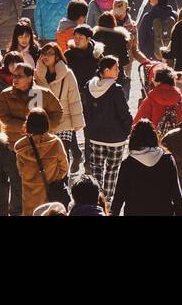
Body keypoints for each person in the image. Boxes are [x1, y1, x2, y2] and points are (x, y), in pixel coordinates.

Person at [81, 55, 133, 200]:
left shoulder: (89, 85)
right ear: (106, 70)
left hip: (96, 136)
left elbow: (86, 111)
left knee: (97, 167)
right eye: (116, 69)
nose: (118, 71)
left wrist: (89, 130)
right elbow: (124, 112)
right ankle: (107, 200)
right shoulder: (115, 89)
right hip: (115, 137)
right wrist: (127, 129)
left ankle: (96, 197)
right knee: (112, 169)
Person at [110, 119, 182, 216]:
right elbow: (177, 194)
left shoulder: (128, 164)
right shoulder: (167, 160)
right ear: (154, 137)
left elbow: (119, 197)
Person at [34, 42, 84, 172]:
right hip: (45, 121)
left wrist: (77, 122)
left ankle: (64, 179)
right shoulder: (37, 75)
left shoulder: (68, 74)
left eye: (50, 54)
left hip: (64, 119)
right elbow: (34, 100)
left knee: (63, 151)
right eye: (43, 53)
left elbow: (74, 99)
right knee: (49, 155)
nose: (45, 56)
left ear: (57, 56)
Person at [15, 108, 71, 216]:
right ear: (46, 123)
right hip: (51, 194)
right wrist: (54, 177)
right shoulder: (55, 143)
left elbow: (21, 171)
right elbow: (64, 167)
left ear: (28, 125)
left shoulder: (21, 147)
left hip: (30, 197)